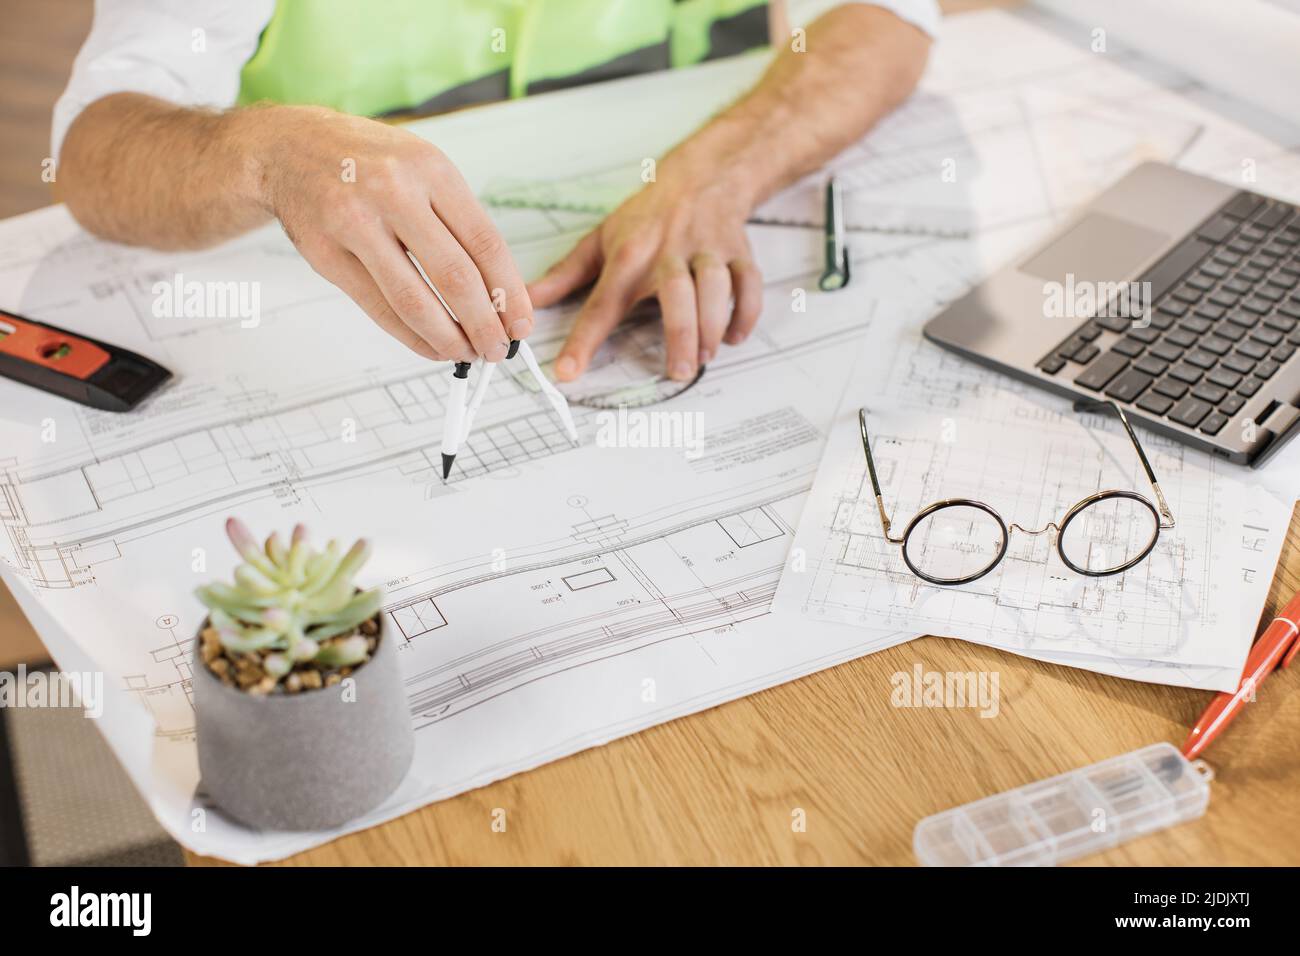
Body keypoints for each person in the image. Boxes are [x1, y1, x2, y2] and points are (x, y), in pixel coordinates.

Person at [52, 0, 936, 382]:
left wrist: (722, 172)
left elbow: (896, 17)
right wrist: (267, 153)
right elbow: (92, 156)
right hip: (334, 321)